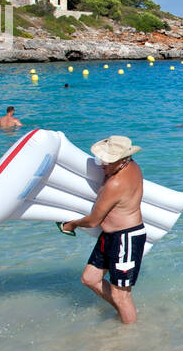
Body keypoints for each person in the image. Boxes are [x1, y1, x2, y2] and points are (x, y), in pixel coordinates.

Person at [61, 136, 146, 325]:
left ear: (123, 160)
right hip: (110, 236)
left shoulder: (116, 184)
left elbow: (93, 221)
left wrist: (71, 224)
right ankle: (125, 312)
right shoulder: (129, 166)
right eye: (102, 159)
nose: (102, 164)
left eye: (108, 160)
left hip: (127, 238)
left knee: (121, 296)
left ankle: (129, 338)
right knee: (89, 279)